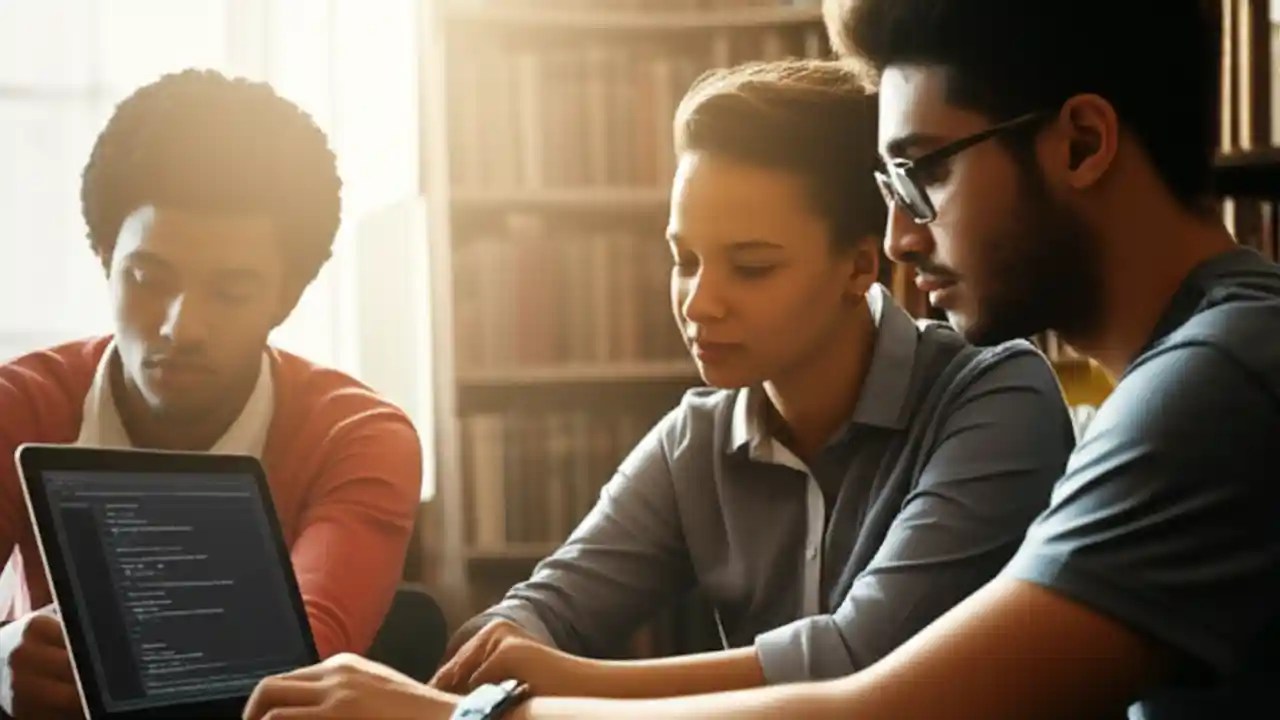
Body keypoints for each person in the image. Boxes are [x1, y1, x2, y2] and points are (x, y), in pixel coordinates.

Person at [243, 0, 1280, 718]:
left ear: (1082, 143)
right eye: (681, 260)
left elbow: (886, 702)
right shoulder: (1185, 370)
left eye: (921, 175)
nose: (904, 241)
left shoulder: (1208, 382)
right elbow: (548, 609)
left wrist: (473, 718)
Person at [0, 69, 423, 719]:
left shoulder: (356, 436)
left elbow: (297, 666)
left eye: (229, 292)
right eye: (146, 277)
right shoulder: (17, 407)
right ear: (105, 256)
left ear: (288, 296)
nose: (180, 327)